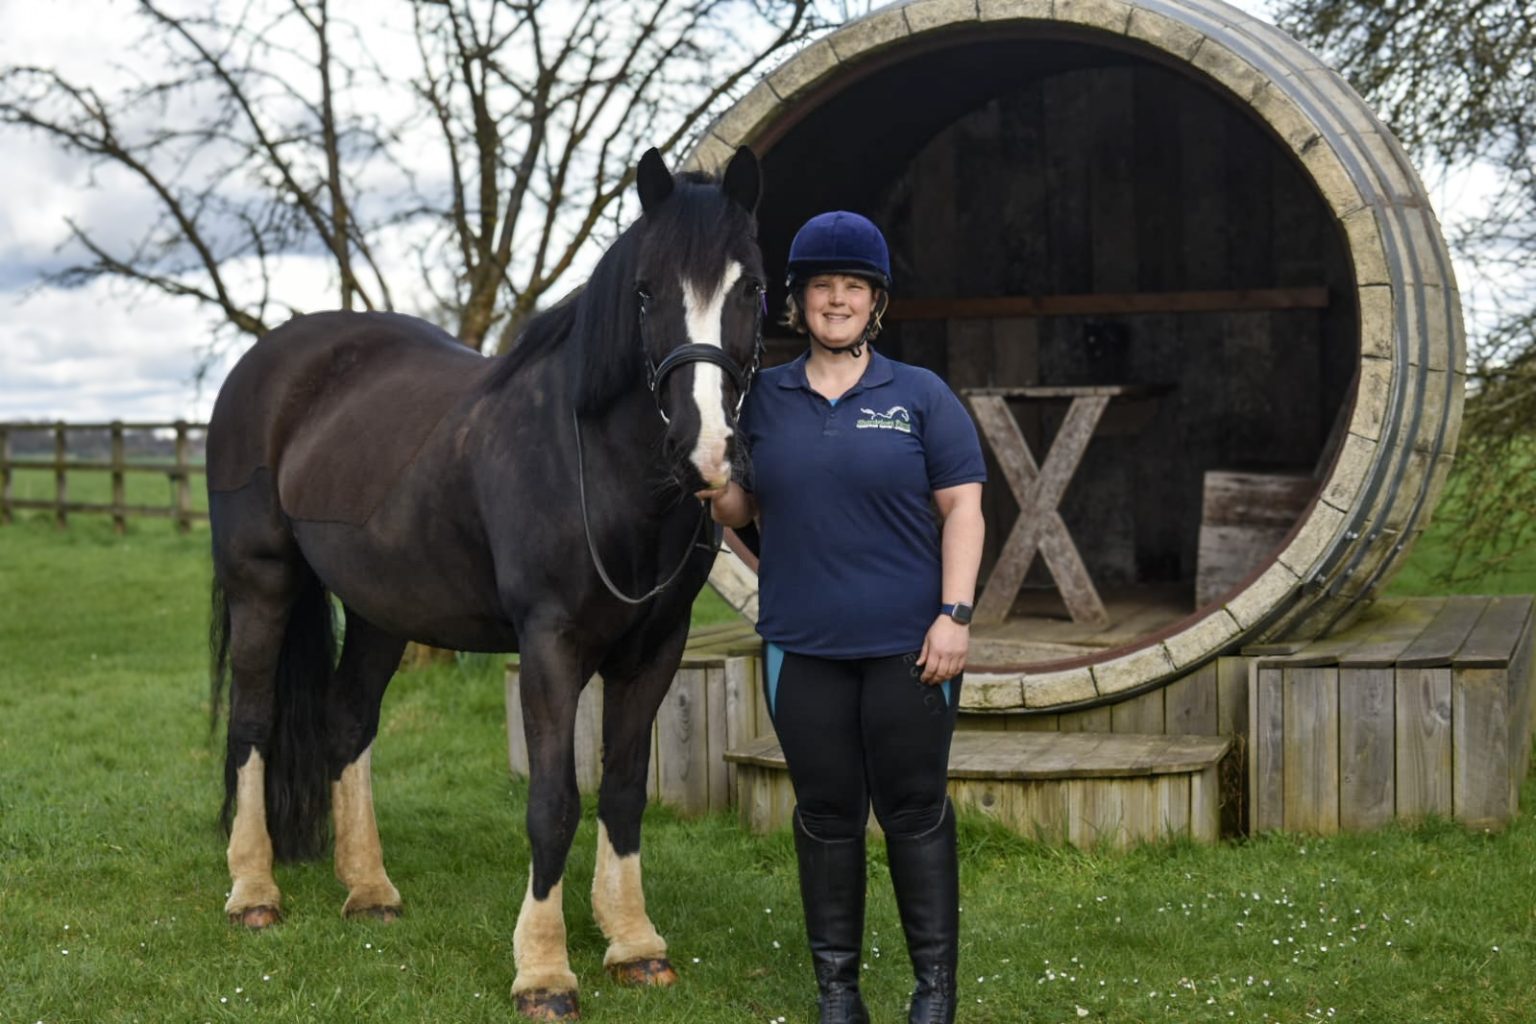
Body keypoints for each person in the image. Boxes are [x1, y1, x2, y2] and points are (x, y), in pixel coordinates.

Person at [700, 211, 986, 1024]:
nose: (836, 299)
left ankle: (934, 996)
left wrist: (954, 615)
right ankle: (839, 997)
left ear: (876, 301)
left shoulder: (921, 396)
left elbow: (963, 509)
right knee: (826, 817)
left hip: (911, 650)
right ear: (796, 301)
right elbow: (743, 509)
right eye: (820, 285)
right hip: (802, 649)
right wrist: (713, 482)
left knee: (915, 811)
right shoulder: (762, 399)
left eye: (852, 286)